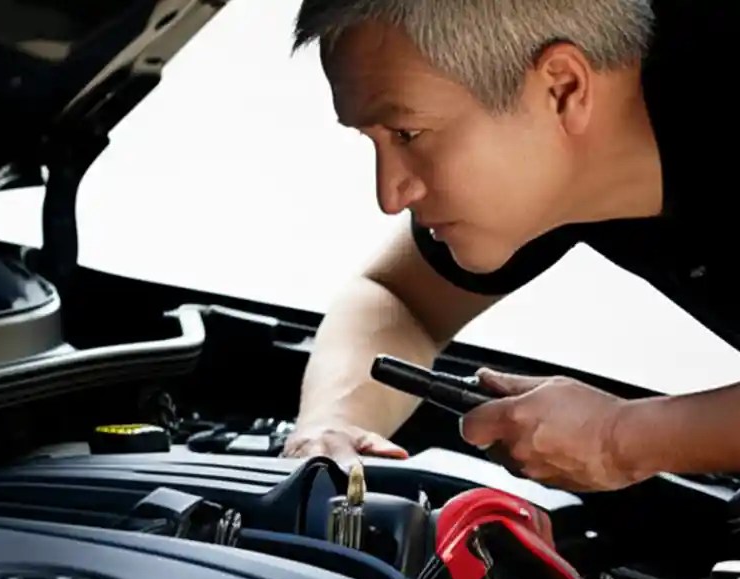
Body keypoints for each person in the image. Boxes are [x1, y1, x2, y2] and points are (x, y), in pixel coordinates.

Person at [279, 0, 740, 492]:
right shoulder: (563, 158)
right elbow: (401, 299)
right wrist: (331, 428)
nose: (389, 195)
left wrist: (623, 439)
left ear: (563, 88)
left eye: (408, 134)